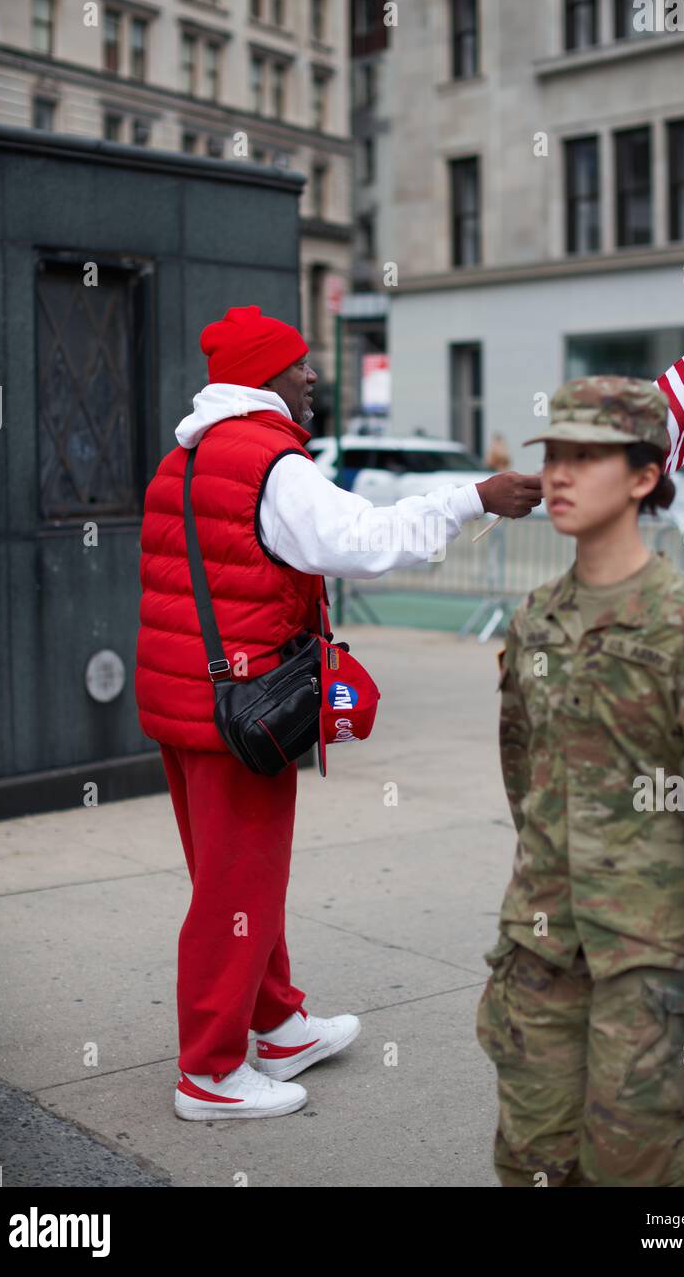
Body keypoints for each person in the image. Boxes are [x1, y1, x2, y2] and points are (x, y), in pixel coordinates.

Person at [135, 304, 543, 1122]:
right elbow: (359, 540)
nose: (313, 374)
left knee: (238, 876)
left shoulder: (187, 456)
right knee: (232, 889)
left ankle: (279, 1025)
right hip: (238, 712)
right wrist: (473, 498)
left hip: (186, 699)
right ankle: (209, 1075)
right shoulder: (268, 461)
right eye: (297, 364)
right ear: (262, 377)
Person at [475, 375, 684, 1187]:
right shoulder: (535, 617)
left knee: (639, 1169)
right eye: (555, 456)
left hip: (649, 956)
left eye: (588, 457)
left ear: (644, 476)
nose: (559, 476)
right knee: (535, 1159)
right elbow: (523, 769)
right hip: (541, 945)